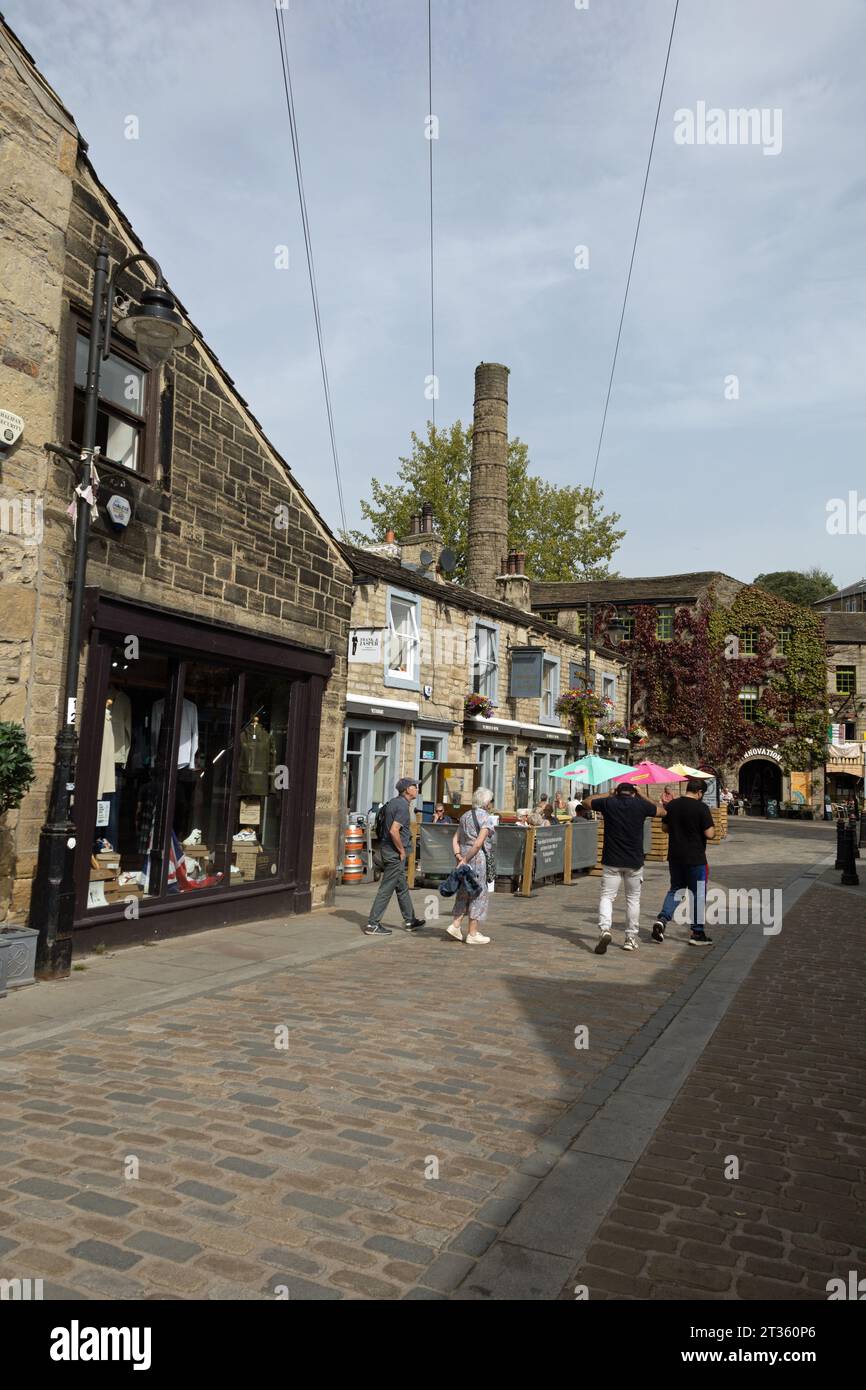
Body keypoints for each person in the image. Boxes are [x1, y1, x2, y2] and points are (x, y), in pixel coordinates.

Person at [583, 781, 665, 954]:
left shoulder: (609, 802)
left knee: (607, 897)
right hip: (634, 861)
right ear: (633, 792)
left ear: (618, 791)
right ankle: (630, 938)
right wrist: (642, 794)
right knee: (632, 899)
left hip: (611, 859)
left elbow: (587, 802)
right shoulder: (641, 804)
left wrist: (609, 794)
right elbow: (662, 811)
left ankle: (605, 929)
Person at [651, 778, 716, 947]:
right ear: (700, 792)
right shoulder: (702, 808)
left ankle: (662, 920)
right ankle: (697, 932)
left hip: (675, 856)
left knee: (675, 890)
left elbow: (664, 828)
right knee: (698, 894)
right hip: (695, 858)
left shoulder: (672, 805)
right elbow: (709, 834)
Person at [364, 779, 426, 936]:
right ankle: (373, 924)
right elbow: (394, 830)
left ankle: (410, 920)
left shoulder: (393, 802)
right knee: (386, 889)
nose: (417, 789)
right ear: (406, 790)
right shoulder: (402, 806)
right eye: (414, 786)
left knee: (402, 887)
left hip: (388, 850)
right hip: (394, 854)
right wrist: (401, 851)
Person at [445, 786, 497, 945]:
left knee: (463, 891)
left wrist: (459, 856)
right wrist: (467, 859)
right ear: (487, 802)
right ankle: (472, 933)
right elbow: (478, 843)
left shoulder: (465, 815)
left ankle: (455, 925)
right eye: (491, 801)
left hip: (463, 855)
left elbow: (455, 839)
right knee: (478, 893)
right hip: (477, 858)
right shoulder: (486, 818)